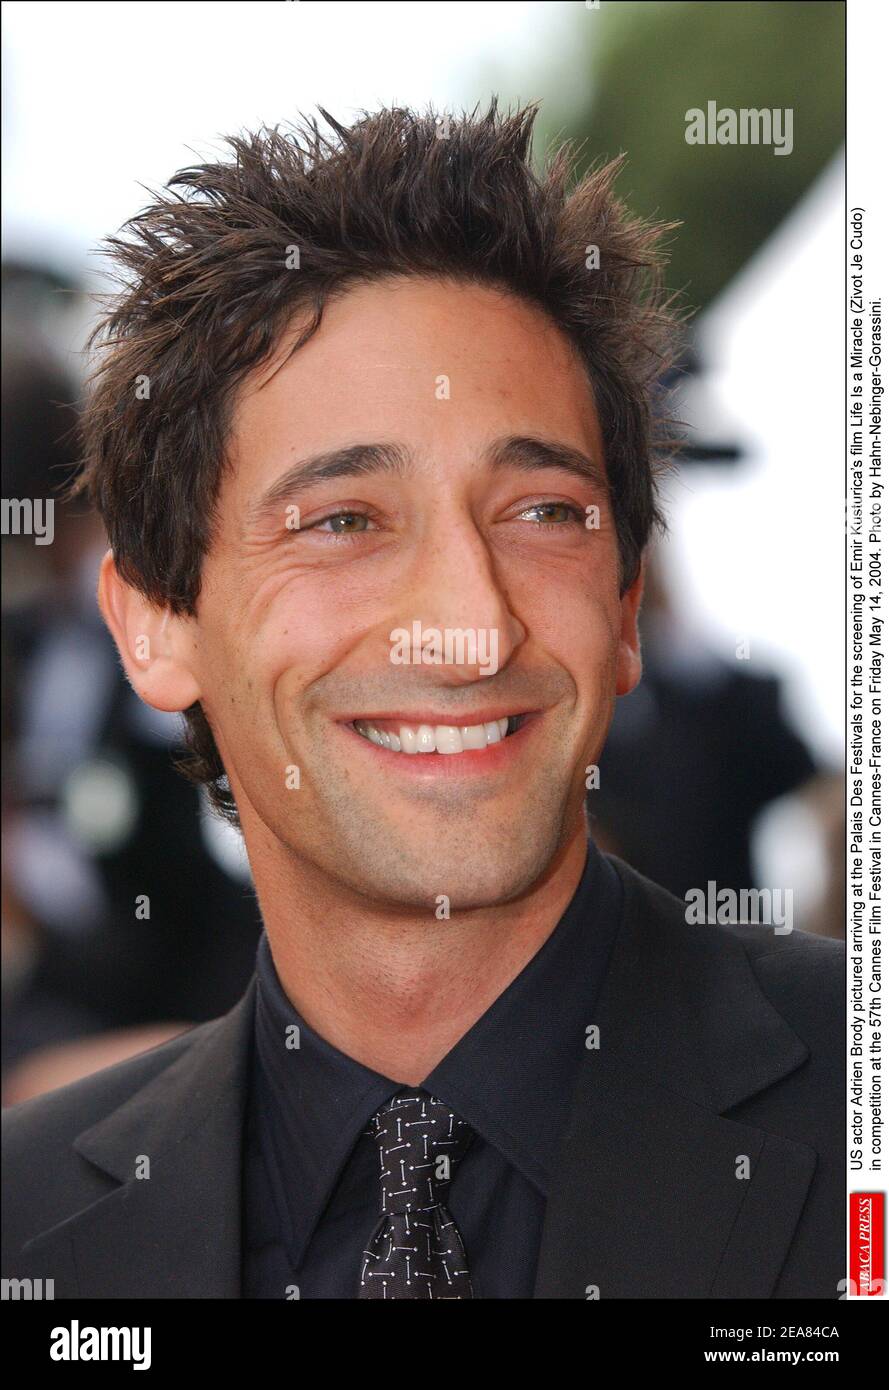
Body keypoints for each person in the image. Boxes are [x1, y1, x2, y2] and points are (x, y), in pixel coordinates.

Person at [2, 102, 842, 1300]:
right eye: (343, 522)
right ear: (153, 624)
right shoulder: (25, 1229)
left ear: (622, 605)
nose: (473, 623)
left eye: (542, 513)